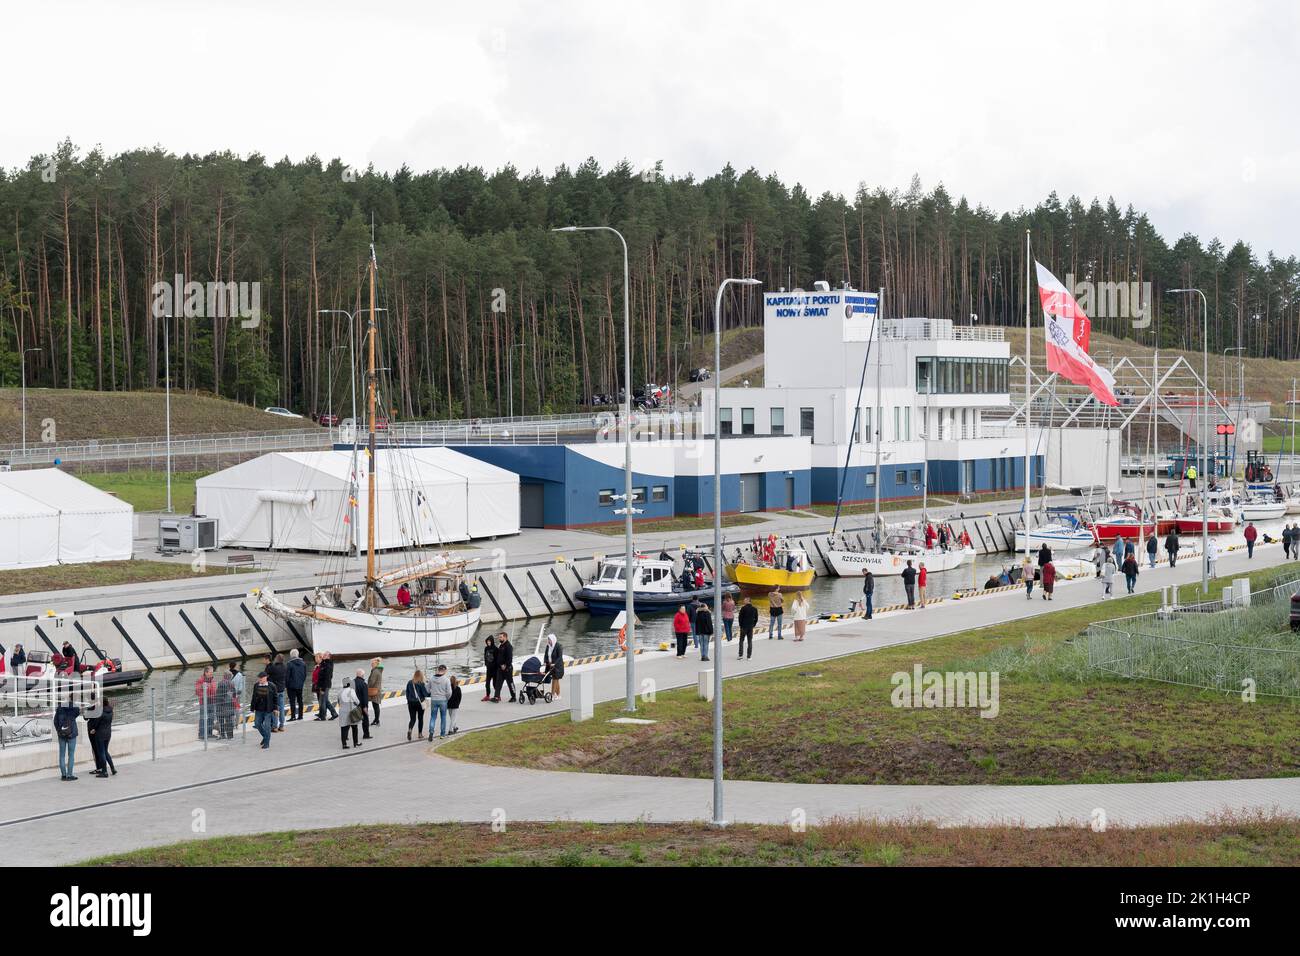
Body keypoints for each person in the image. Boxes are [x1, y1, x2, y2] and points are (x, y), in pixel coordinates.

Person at [87, 696, 115, 777]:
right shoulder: (111, 711)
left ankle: (104, 772)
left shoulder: (101, 712)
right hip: (108, 734)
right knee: (106, 751)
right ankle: (113, 769)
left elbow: (96, 723)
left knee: (101, 753)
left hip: (100, 735)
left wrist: (93, 729)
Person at [54, 696, 80, 780]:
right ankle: (69, 775)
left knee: (62, 755)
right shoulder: (75, 708)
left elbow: (55, 721)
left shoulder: (59, 708)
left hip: (61, 735)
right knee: (71, 755)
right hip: (71, 734)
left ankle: (63, 775)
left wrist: (59, 730)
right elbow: (77, 714)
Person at [249, 671, 277, 750]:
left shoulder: (272, 686)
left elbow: (275, 698)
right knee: (257, 724)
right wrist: (252, 707)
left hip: (268, 709)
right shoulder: (256, 685)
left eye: (261, 678)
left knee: (267, 726)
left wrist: (276, 708)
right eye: (259, 678)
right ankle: (265, 737)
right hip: (259, 708)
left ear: (265, 678)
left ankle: (267, 743)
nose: (259, 679)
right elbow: (254, 696)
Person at [426, 665, 452, 740]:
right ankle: (442, 734)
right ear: (444, 670)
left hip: (434, 700)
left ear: (438, 670)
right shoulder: (446, 680)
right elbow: (449, 692)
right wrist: (447, 698)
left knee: (433, 717)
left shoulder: (431, 679)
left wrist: (432, 693)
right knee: (443, 717)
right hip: (443, 700)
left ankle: (431, 732)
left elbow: (427, 690)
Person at [405, 669, 430, 741]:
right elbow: (425, 694)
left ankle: (410, 729)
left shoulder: (409, 682)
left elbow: (407, 693)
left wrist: (408, 700)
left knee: (412, 718)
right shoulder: (421, 683)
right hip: (420, 703)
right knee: (420, 718)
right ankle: (420, 734)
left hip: (411, 703)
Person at [194, 666, 218, 740]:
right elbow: (197, 691)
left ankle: (209, 733)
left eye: (212, 672)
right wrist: (205, 695)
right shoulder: (200, 680)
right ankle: (202, 734)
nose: (212, 673)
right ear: (206, 672)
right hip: (204, 702)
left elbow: (215, 690)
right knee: (203, 718)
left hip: (212, 701)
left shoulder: (213, 680)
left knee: (211, 718)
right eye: (210, 672)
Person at [338, 678, 362, 749]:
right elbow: (357, 701)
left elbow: (339, 702)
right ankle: (355, 743)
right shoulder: (352, 691)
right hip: (352, 712)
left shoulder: (340, 691)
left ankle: (344, 744)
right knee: (354, 728)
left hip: (342, 712)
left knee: (344, 728)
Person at [267, 653, 288, 731]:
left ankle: (274, 726)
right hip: (281, 690)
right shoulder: (285, 667)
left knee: (274, 708)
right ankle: (282, 725)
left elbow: (267, 673)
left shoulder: (273, 667)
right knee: (281, 708)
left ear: (277, 659)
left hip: (274, 690)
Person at [215, 667, 238, 739]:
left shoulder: (221, 683)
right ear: (230, 677)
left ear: (224, 676)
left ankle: (222, 735)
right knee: (229, 721)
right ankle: (230, 736)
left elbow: (218, 695)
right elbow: (234, 694)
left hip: (221, 705)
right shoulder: (232, 683)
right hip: (230, 705)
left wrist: (217, 703)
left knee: (221, 720)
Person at [493, 633, 516, 703]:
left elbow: (510, 658)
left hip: (507, 669)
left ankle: (513, 697)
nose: (499, 638)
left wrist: (505, 665)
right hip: (500, 668)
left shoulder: (508, 646)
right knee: (498, 683)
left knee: (510, 683)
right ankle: (496, 697)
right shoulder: (501, 646)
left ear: (505, 637)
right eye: (499, 637)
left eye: (501, 637)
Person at [286, 649, 307, 722]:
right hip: (300, 685)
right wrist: (301, 682)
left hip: (291, 686)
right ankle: (300, 716)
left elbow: (287, 676)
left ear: (291, 655)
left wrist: (286, 685)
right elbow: (305, 675)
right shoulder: (303, 663)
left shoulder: (289, 664)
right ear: (297, 655)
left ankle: (293, 717)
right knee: (300, 700)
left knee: (292, 701)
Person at [315, 652, 337, 720]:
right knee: (326, 700)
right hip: (323, 685)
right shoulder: (324, 663)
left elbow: (327, 678)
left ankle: (322, 716)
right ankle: (334, 713)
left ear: (328, 657)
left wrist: (323, 689)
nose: (323, 656)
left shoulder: (328, 665)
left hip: (324, 685)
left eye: (325, 655)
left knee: (323, 701)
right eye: (323, 655)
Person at [544, 634, 565, 699]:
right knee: (556, 680)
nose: (548, 641)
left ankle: (552, 695)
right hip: (550, 665)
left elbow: (559, 657)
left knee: (554, 679)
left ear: (553, 640)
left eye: (549, 640)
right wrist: (545, 661)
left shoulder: (558, 646)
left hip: (557, 666)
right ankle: (558, 695)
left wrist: (554, 663)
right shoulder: (548, 646)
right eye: (548, 640)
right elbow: (546, 655)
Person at [352, 669, 371, 738]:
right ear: (362, 675)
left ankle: (346, 736)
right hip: (362, 705)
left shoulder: (351, 683)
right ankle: (366, 734)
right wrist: (365, 706)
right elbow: (365, 697)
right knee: (365, 720)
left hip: (353, 705)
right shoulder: (364, 684)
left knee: (353, 721)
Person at [367, 658, 384, 726]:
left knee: (375, 706)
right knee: (376, 705)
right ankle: (377, 720)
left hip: (374, 690)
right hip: (377, 690)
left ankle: (376, 720)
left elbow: (372, 681)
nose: (371, 664)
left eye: (372, 663)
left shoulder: (375, 671)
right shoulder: (378, 670)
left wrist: (367, 687)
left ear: (376, 664)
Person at [482, 635, 498, 701]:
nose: (488, 642)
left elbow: (497, 659)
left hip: (494, 669)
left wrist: (495, 667)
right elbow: (485, 657)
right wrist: (486, 664)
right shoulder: (486, 648)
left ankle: (497, 696)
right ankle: (487, 696)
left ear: (492, 641)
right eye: (487, 641)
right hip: (488, 669)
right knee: (487, 683)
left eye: (489, 641)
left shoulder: (496, 649)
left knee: (494, 684)